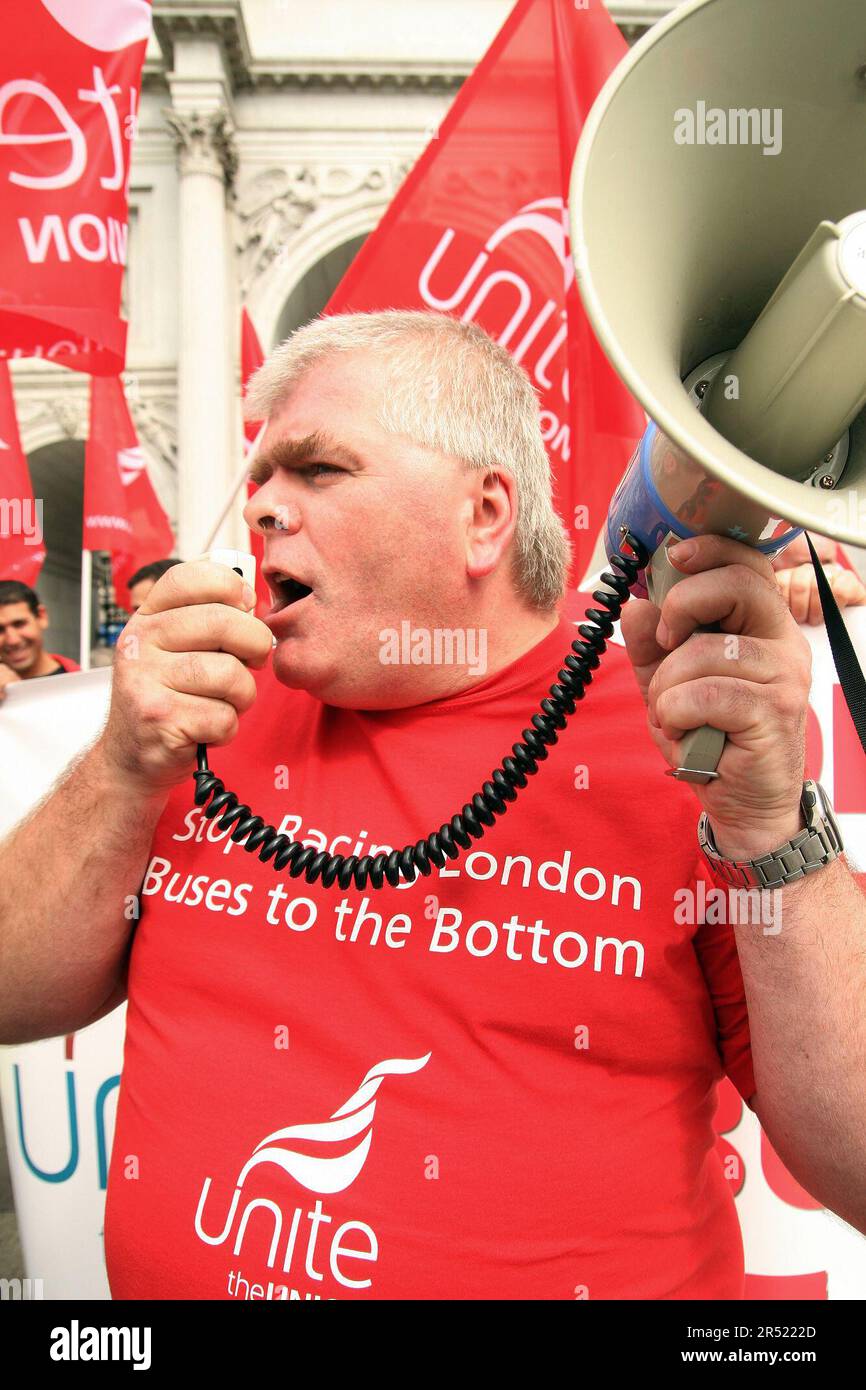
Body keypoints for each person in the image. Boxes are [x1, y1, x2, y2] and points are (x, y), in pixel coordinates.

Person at [1, 311, 865, 1302]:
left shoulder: (675, 717)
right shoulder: (201, 706)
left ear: (485, 513)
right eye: (258, 480)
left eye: (315, 469)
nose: (263, 509)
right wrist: (121, 762)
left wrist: (769, 832)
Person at [0, 580, 80, 703]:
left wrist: (18, 695)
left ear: (42, 617)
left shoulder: (82, 686)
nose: (12, 640)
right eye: (0, 630)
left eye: (19, 624)